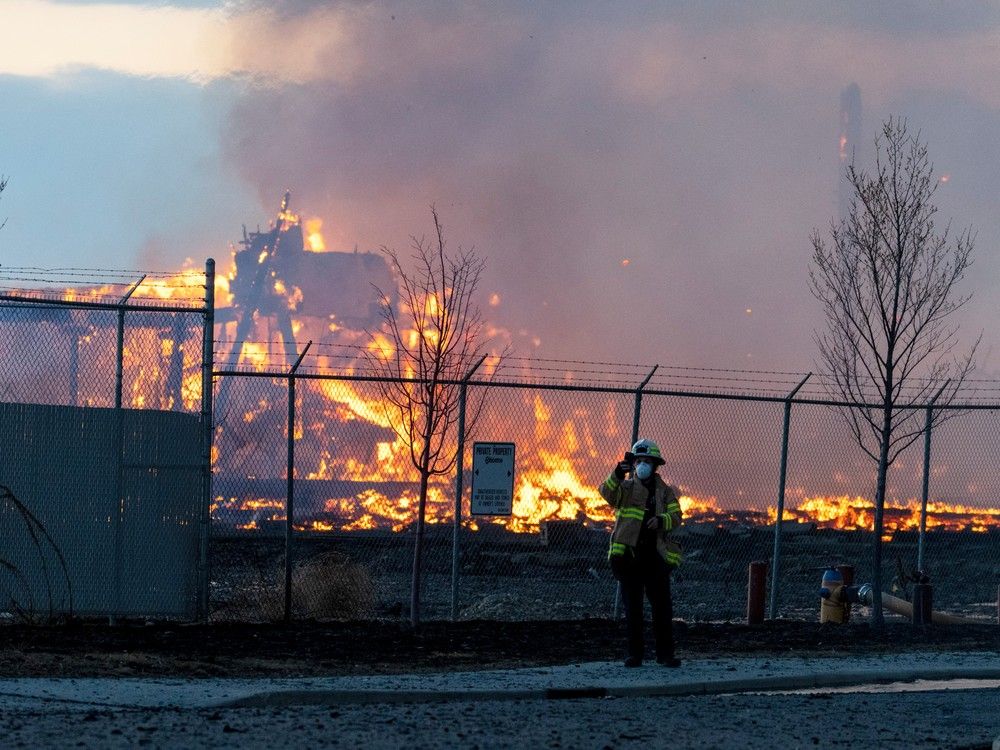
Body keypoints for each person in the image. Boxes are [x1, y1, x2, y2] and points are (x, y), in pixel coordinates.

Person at [599, 438, 683, 667]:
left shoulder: (665, 492)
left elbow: (677, 517)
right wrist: (617, 473)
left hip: (655, 558)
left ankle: (665, 655)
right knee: (633, 609)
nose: (643, 465)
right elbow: (606, 493)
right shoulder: (624, 488)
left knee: (662, 609)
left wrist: (662, 520)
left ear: (655, 465)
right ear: (633, 464)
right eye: (639, 461)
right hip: (629, 558)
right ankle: (634, 655)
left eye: (647, 461)